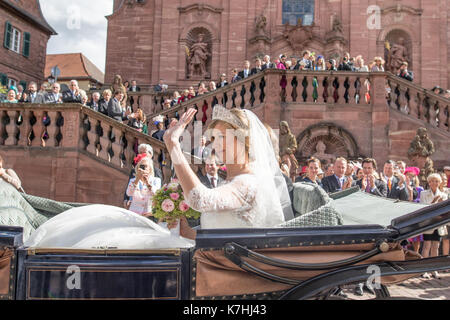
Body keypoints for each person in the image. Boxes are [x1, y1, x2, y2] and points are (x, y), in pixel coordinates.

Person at [164, 106, 290, 237]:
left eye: (222, 137)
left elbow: (199, 199)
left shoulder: (247, 183)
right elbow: (220, 235)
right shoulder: (227, 183)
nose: (216, 144)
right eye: (213, 138)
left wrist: (173, 144)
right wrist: (186, 231)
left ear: (244, 139)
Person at [420, 173, 448, 279]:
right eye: (432, 181)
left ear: (439, 182)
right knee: (426, 246)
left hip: (439, 224)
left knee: (436, 247)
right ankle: (423, 269)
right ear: (429, 182)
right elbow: (423, 209)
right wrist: (434, 202)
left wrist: (441, 204)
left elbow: (445, 211)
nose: (434, 183)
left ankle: (433, 269)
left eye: (436, 181)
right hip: (428, 224)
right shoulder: (423, 193)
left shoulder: (444, 195)